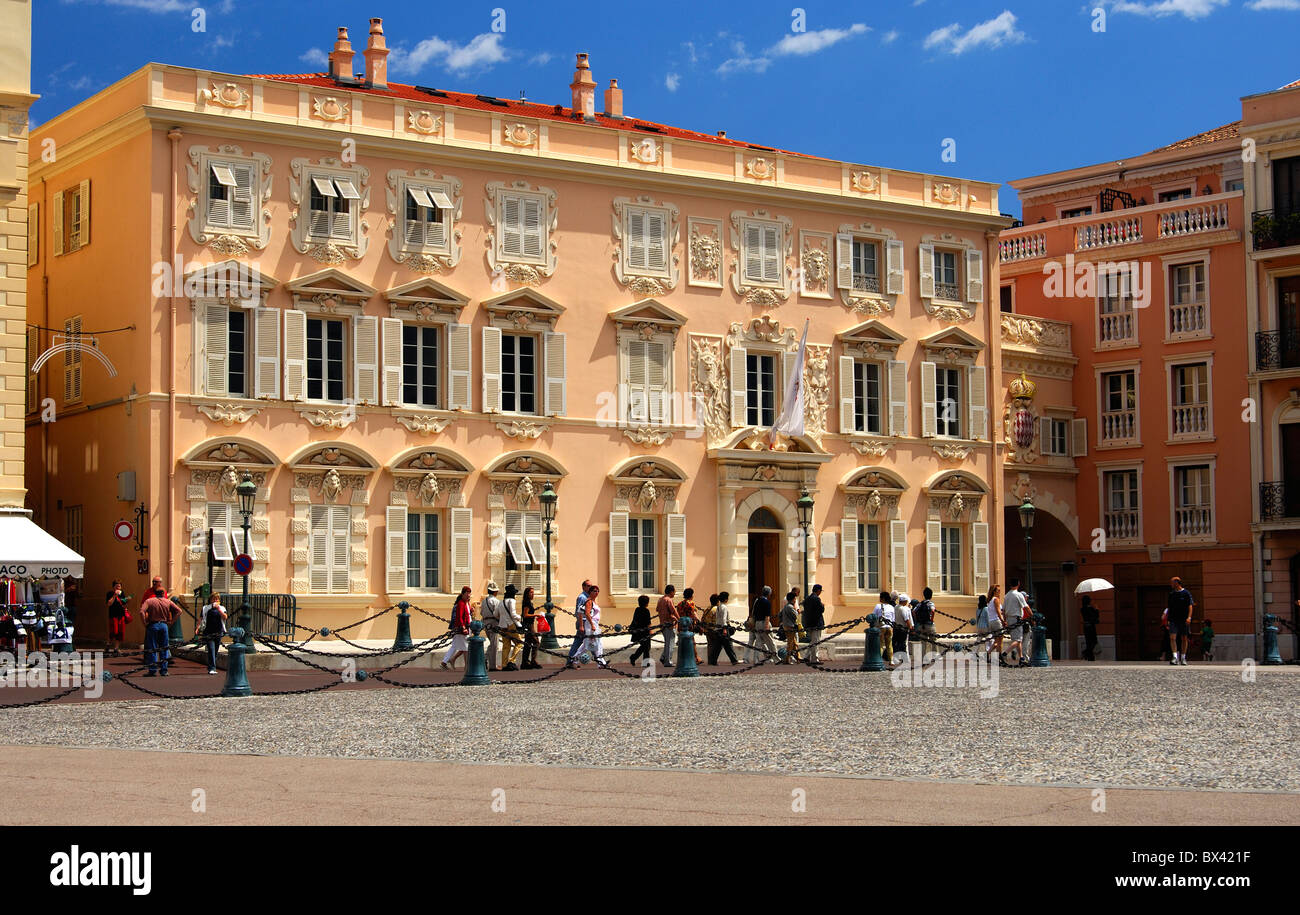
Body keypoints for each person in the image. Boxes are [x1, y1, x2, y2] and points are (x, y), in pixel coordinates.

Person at [139, 577, 182, 677]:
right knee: (164, 648)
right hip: (164, 625)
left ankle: (153, 670)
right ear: (163, 594)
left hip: (152, 625)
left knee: (153, 648)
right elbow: (179, 611)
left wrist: (144, 623)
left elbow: (141, 611)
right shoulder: (167, 601)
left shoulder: (150, 601)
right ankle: (164, 670)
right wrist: (171, 621)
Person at [570, 584, 606, 667]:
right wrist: (592, 625)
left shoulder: (593, 601)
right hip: (591, 624)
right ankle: (600, 663)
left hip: (594, 623)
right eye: (594, 591)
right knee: (594, 643)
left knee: (589, 644)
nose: (596, 592)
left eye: (598, 591)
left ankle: (574, 659)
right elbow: (586, 613)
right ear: (590, 592)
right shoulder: (589, 601)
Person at [1165, 576, 1195, 666]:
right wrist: (1168, 619)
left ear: (1177, 583)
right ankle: (1174, 657)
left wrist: (1189, 617)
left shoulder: (1186, 593)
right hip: (1173, 619)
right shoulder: (1171, 594)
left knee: (1184, 638)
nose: (1171, 584)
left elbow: (1190, 606)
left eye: (1172, 582)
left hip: (1184, 619)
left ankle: (1183, 657)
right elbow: (1169, 607)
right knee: (1172, 637)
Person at [441, 586, 473, 670]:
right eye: (467, 593)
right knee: (465, 647)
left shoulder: (467, 603)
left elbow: (467, 615)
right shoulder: (461, 604)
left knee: (457, 646)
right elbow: (459, 617)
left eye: (470, 593)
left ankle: (447, 661)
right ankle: (466, 666)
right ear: (463, 594)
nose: (469, 595)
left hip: (466, 628)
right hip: (462, 628)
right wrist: (463, 627)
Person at [1002, 578, 1028, 665]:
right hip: (1016, 618)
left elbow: (1004, 610)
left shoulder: (1006, 595)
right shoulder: (1018, 595)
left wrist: (1004, 621)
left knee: (1016, 639)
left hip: (1009, 618)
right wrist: (1032, 615)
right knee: (1018, 639)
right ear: (1018, 584)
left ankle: (1021, 658)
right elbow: (1025, 607)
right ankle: (1005, 653)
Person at [200, 594, 228, 674]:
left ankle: (211, 666)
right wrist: (198, 627)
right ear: (210, 600)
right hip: (208, 632)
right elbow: (201, 618)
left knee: (215, 650)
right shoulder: (206, 608)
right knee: (211, 649)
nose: (215, 600)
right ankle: (212, 668)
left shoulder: (222, 608)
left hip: (218, 631)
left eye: (217, 599)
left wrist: (219, 609)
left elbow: (225, 617)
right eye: (214, 599)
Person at [749, 586, 777, 664]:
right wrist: (767, 626)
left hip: (757, 623)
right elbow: (767, 616)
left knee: (758, 643)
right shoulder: (767, 602)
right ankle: (776, 658)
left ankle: (756, 659)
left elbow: (754, 613)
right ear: (769, 594)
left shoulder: (757, 601)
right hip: (764, 623)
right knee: (771, 642)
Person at [480, 581, 504, 671]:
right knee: (494, 645)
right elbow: (497, 614)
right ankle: (493, 666)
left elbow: (481, 612)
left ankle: (484, 658)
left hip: (486, 623)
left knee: (492, 644)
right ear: (495, 592)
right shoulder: (496, 601)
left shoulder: (484, 601)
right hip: (494, 622)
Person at [499, 584, 523, 672]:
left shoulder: (501, 602)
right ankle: (511, 661)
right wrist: (519, 617)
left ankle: (504, 664)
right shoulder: (512, 601)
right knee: (519, 643)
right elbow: (513, 614)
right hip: (510, 624)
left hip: (502, 625)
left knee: (506, 645)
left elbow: (495, 614)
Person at [677, 588, 703, 664]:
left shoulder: (680, 604)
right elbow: (693, 613)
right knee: (692, 641)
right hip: (689, 625)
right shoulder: (690, 603)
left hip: (681, 625)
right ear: (691, 595)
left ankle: (684, 659)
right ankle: (696, 658)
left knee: (683, 642)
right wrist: (699, 622)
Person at [802, 583, 826, 664]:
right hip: (816, 623)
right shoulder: (816, 599)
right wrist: (823, 606)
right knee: (816, 641)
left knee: (813, 641)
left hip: (809, 623)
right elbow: (821, 610)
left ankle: (806, 656)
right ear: (818, 591)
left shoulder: (807, 599)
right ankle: (814, 659)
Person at [105, 580, 130, 657]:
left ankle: (116, 648)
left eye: (119, 586)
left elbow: (124, 603)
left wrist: (127, 600)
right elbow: (109, 604)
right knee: (113, 631)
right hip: (113, 615)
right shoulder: (109, 593)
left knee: (120, 632)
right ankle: (108, 644)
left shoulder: (122, 593)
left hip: (121, 615)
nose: (118, 588)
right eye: (117, 586)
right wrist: (114, 596)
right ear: (113, 587)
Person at [519, 587, 541, 670]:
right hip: (529, 625)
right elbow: (525, 614)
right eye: (531, 592)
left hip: (530, 624)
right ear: (527, 594)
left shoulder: (528, 602)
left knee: (527, 643)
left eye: (533, 592)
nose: (533, 594)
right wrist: (536, 615)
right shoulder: (527, 603)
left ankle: (525, 662)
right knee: (536, 641)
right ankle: (533, 661)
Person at [656, 584, 678, 667]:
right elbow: (673, 610)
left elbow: (658, 609)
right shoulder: (669, 600)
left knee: (667, 642)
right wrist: (679, 619)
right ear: (671, 592)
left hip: (662, 623)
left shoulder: (660, 599)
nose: (674, 593)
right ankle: (668, 661)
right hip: (669, 624)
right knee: (670, 643)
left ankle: (663, 657)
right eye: (674, 591)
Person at [628, 594, 653, 667]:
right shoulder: (646, 611)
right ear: (647, 603)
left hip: (638, 631)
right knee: (646, 647)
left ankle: (634, 657)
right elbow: (648, 622)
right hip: (644, 631)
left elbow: (635, 620)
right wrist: (650, 631)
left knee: (644, 646)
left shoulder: (637, 609)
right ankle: (643, 661)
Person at [986, 584, 1007, 664]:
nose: (999, 592)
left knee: (996, 641)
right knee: (1000, 642)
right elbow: (998, 611)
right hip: (997, 621)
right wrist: (1003, 620)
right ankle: (999, 658)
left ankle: (988, 653)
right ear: (994, 591)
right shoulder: (996, 600)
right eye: (998, 590)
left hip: (991, 622)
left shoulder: (989, 600)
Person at [779, 590, 800, 663]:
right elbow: (796, 615)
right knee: (790, 643)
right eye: (795, 599)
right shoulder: (790, 607)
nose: (795, 600)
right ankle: (786, 659)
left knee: (794, 643)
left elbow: (780, 615)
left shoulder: (786, 606)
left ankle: (798, 657)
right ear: (792, 599)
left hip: (786, 625)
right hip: (790, 626)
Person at [892, 595, 913, 668]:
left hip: (896, 628)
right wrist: (911, 628)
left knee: (896, 643)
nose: (907, 603)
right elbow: (906, 619)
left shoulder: (896, 607)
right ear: (904, 601)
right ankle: (905, 659)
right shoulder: (903, 609)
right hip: (903, 628)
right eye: (906, 601)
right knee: (903, 644)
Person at [875, 591, 895, 666]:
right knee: (889, 645)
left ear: (883, 599)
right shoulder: (891, 607)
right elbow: (893, 619)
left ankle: (879, 659)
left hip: (881, 627)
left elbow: (874, 616)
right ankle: (891, 660)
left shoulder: (878, 606)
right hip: (889, 627)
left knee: (881, 645)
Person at [1080, 595, 1100, 661]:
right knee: (1094, 641)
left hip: (1086, 627)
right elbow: (1096, 616)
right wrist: (1096, 609)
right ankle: (1086, 653)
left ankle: (1090, 656)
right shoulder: (1090, 608)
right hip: (1091, 627)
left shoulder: (1082, 609)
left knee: (1088, 642)